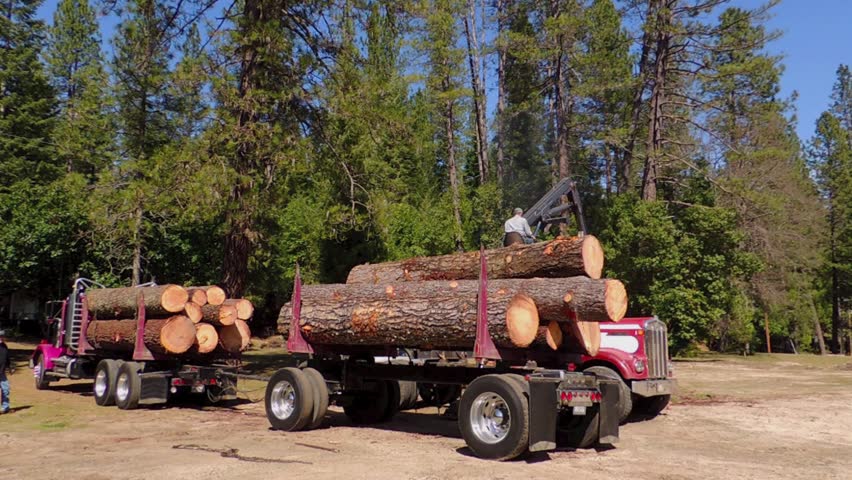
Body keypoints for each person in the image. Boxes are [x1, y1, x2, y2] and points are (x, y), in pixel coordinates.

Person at [0, 330, 11, 414]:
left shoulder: (4, 346)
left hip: (2, 372)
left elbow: (6, 359)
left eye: (2, 337)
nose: (1, 338)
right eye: (0, 336)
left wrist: (9, 367)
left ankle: (5, 407)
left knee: (6, 389)